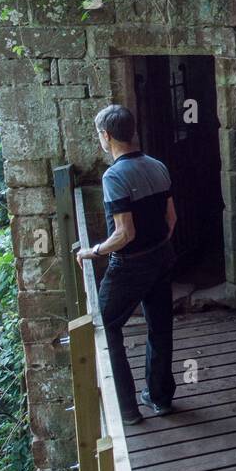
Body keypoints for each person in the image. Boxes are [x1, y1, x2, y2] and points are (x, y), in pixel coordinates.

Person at [75, 104, 177, 426]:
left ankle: (128, 410)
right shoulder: (158, 166)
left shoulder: (114, 176)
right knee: (160, 326)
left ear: (106, 136)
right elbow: (171, 219)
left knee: (104, 327)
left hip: (131, 265)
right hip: (162, 256)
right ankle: (160, 398)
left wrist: (96, 251)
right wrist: (157, 245)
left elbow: (124, 233)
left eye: (99, 135)